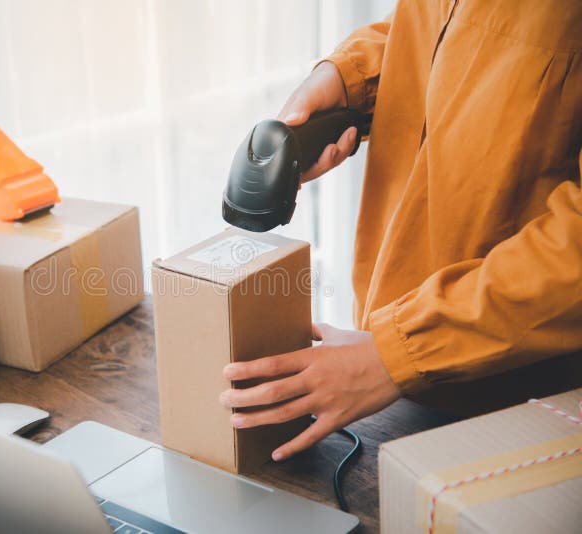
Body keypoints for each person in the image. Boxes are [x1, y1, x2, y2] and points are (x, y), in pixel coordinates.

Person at [219, 0, 582, 462]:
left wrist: (398, 354)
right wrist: (348, 78)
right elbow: (446, 30)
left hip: (524, 400)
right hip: (392, 368)